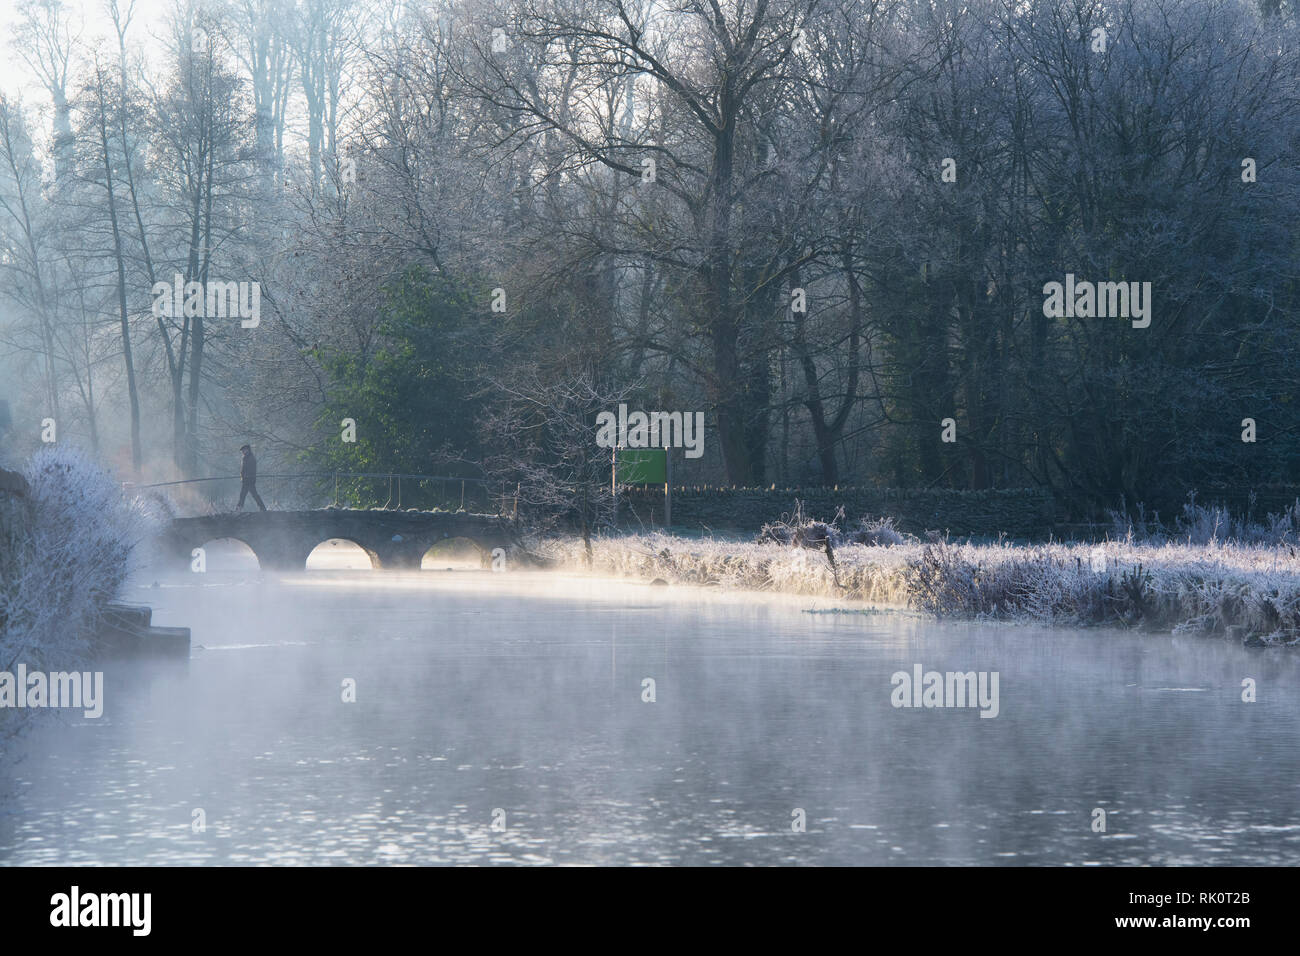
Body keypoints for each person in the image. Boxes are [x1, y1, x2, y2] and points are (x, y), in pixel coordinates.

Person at [238, 444, 267, 511]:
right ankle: (239, 508)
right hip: (246, 480)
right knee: (244, 495)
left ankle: (262, 508)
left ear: (247, 450)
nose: (242, 451)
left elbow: (250, 469)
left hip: (249, 480)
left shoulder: (251, 458)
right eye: (242, 450)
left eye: (244, 450)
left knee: (252, 495)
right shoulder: (245, 458)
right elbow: (243, 469)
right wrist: (242, 477)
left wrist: (246, 476)